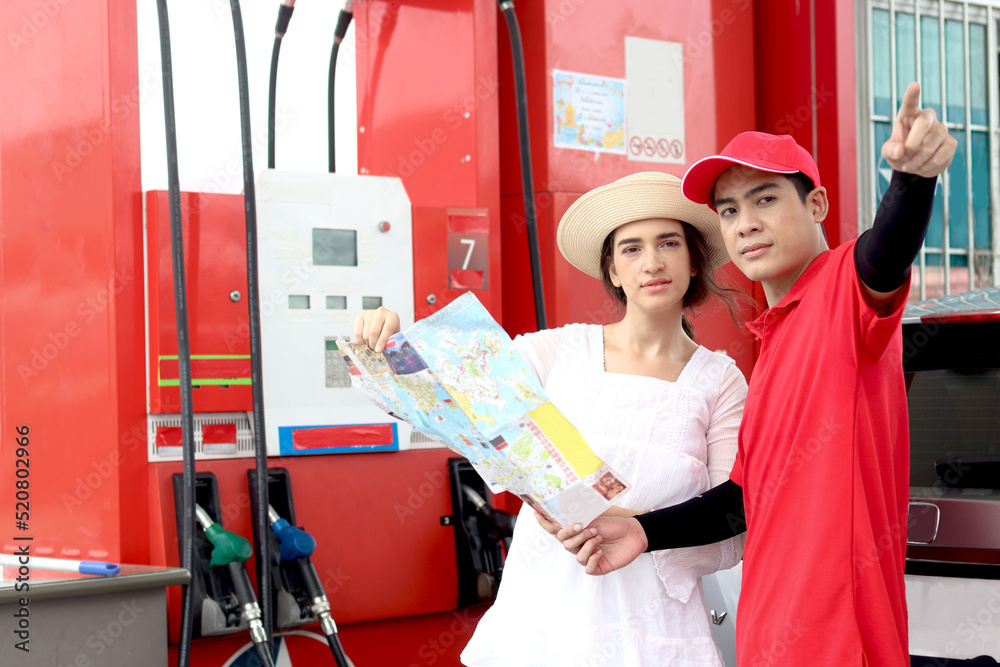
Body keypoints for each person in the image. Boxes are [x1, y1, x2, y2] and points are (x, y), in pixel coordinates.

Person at [553, 82, 956, 667]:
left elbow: (885, 253)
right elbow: (742, 500)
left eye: (765, 200)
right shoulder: (771, 342)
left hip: (839, 644)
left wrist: (913, 181)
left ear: (815, 206)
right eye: (729, 211)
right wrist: (643, 532)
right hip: (768, 641)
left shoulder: (841, 296)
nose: (745, 224)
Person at [355, 172, 749, 666]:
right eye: (630, 249)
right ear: (611, 270)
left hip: (654, 635)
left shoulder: (721, 382)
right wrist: (387, 345)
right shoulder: (559, 351)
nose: (651, 263)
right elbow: (437, 405)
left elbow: (733, 526)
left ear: (693, 260)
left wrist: (637, 529)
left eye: (669, 243)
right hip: (540, 627)